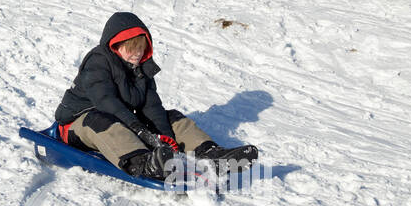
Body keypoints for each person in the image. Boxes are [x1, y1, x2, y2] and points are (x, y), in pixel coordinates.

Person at [54, 12, 259, 181]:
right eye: (131, 48)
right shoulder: (98, 62)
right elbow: (106, 102)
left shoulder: (141, 68)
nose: (137, 54)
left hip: (121, 120)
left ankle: (210, 154)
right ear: (115, 45)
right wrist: (137, 129)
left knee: (171, 117)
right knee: (101, 121)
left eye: (141, 48)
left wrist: (164, 135)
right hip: (78, 125)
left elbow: (151, 105)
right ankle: (143, 163)